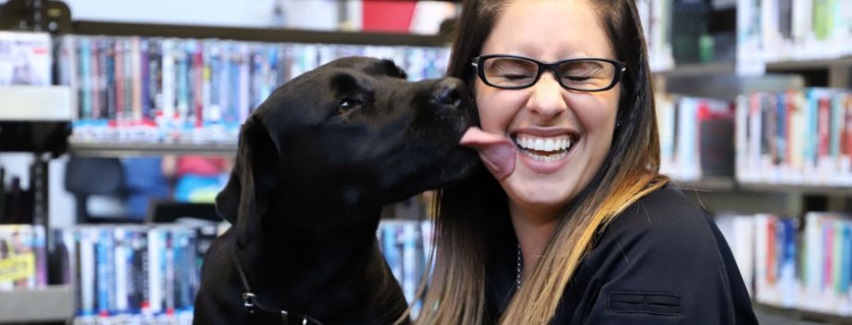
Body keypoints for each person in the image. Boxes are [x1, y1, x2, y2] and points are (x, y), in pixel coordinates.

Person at [414, 0, 759, 324]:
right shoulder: (492, 242)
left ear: (625, 99)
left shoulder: (659, 252)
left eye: (580, 74)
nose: (546, 103)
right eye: (514, 72)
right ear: (468, 91)